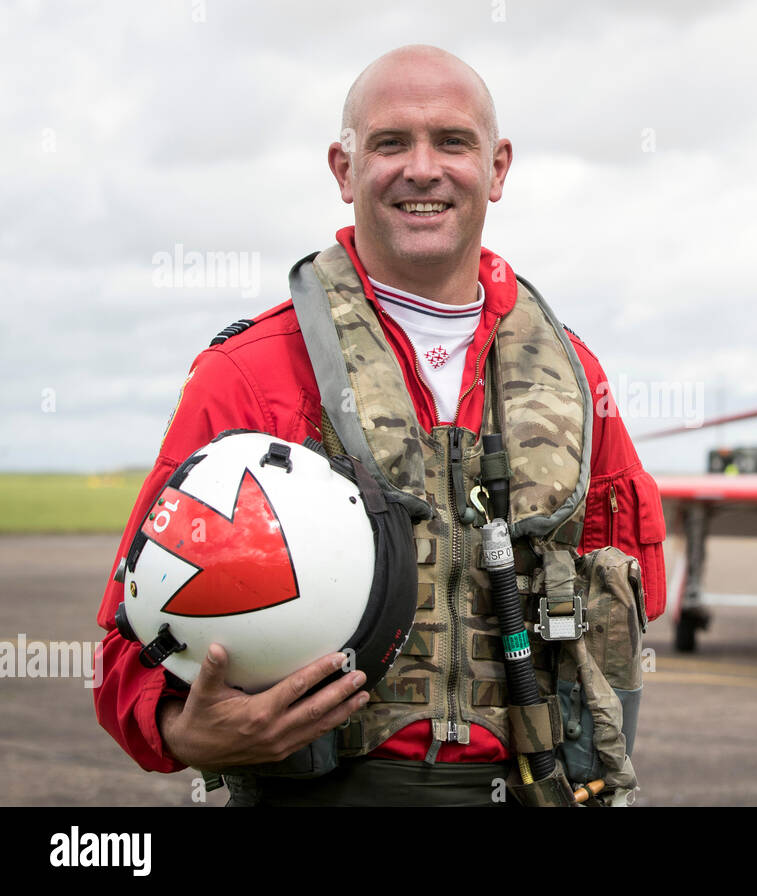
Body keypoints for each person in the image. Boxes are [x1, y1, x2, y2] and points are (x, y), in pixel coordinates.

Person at [93, 45, 666, 805]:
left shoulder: (574, 379)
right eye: (391, 143)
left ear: (497, 168)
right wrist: (184, 732)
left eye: (452, 142)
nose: (422, 169)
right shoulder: (250, 374)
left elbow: (627, 594)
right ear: (343, 169)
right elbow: (132, 645)